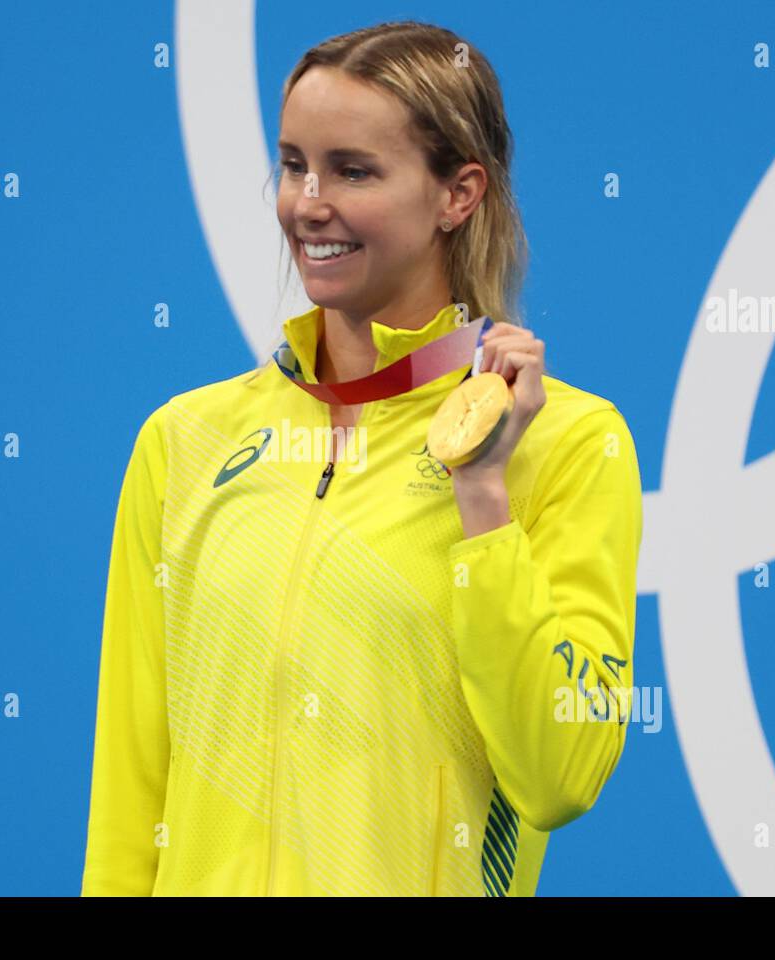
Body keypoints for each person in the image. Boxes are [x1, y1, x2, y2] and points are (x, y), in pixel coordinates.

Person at [81, 20, 642, 897]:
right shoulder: (184, 442)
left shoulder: (567, 443)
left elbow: (560, 773)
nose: (308, 201)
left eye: (353, 170)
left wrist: (484, 492)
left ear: (459, 194)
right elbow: (130, 785)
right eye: (294, 162)